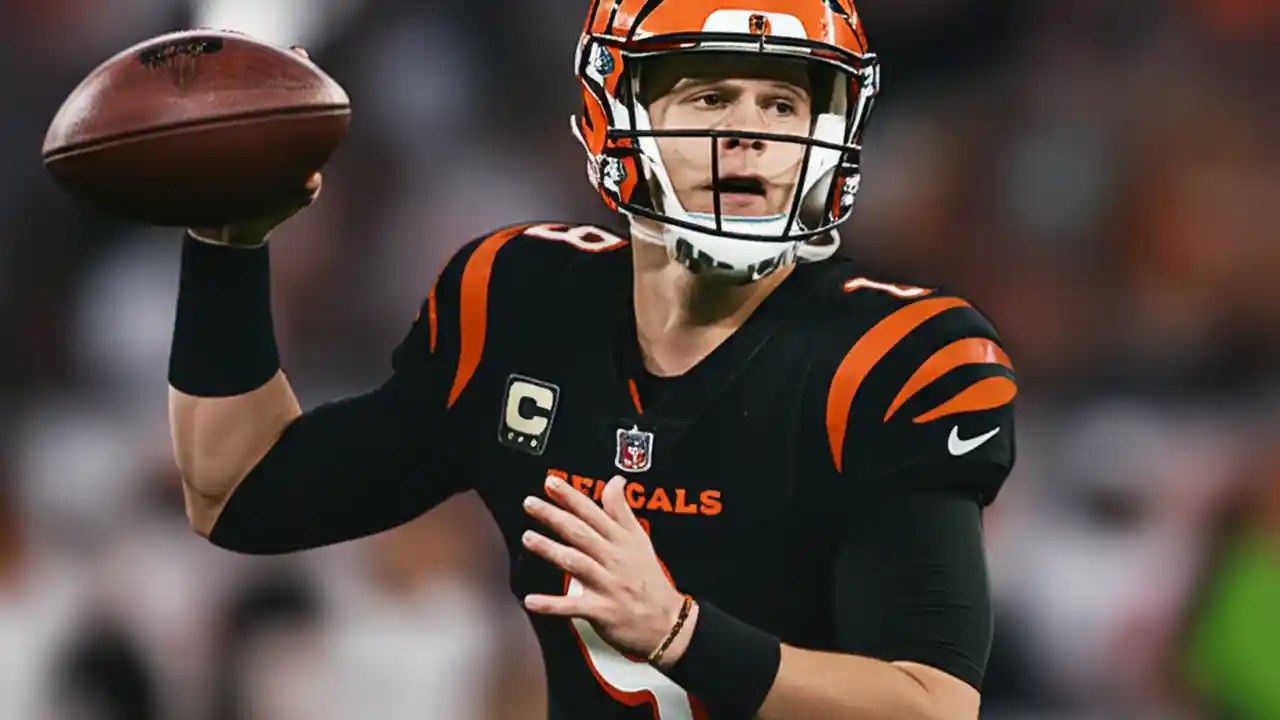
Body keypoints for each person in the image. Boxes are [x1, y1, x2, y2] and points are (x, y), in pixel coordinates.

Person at [168, 1, 1018, 718]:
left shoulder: (896, 355)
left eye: (783, 105)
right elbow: (242, 494)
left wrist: (683, 634)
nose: (749, 133)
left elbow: (933, 702)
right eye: (712, 96)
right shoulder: (518, 303)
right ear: (620, 117)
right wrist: (224, 247)